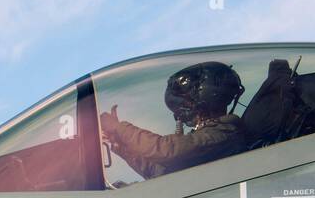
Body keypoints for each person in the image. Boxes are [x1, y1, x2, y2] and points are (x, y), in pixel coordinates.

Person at [100, 61, 247, 180]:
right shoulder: (209, 135)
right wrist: (120, 144)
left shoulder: (223, 133)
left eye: (187, 103)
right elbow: (159, 172)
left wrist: (119, 128)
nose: (181, 113)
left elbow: (166, 150)